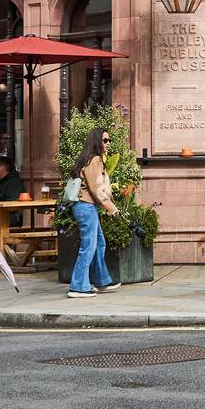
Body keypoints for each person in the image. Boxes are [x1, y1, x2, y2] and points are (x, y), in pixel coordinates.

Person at [68, 127, 121, 299]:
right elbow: (97, 191)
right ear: (97, 142)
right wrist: (112, 209)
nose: (108, 144)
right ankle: (78, 286)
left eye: (109, 140)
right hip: (85, 206)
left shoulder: (91, 159)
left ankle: (101, 281)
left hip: (86, 207)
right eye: (105, 140)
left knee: (99, 243)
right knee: (89, 246)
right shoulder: (94, 160)